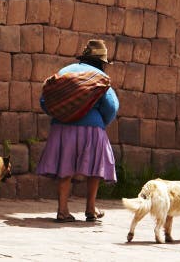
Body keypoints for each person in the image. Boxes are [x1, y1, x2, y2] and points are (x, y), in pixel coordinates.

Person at [36, 39, 119, 222]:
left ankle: (62, 210)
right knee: (96, 168)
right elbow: (111, 106)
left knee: (65, 167)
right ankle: (90, 209)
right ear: (102, 62)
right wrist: (100, 123)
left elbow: (46, 99)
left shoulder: (65, 71)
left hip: (63, 128)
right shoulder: (101, 78)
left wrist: (60, 115)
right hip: (92, 130)